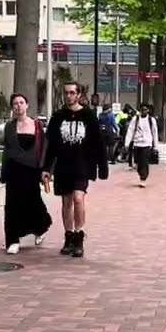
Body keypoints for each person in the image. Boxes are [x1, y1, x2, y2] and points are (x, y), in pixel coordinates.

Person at [42, 81, 109, 258]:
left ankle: (79, 235)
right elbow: (51, 146)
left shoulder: (88, 115)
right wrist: (46, 168)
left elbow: (98, 143)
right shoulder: (57, 117)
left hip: (82, 165)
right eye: (66, 93)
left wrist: (102, 168)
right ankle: (69, 236)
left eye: (72, 92)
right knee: (66, 203)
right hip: (63, 166)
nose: (69, 96)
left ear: (79, 95)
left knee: (78, 199)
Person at [0, 93, 52, 254]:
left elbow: (43, 148)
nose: (18, 106)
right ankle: (12, 240)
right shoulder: (9, 126)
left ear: (27, 105)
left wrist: (45, 170)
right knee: (12, 205)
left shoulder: (36, 125)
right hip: (14, 169)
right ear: (12, 107)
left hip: (31, 170)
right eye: (15, 103)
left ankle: (40, 228)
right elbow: (7, 150)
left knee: (33, 202)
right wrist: (4, 172)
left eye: (21, 103)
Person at [123, 102, 159, 187]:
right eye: (142, 110)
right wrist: (127, 143)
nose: (144, 111)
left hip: (147, 143)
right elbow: (130, 131)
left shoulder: (151, 120)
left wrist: (155, 146)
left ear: (148, 110)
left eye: (145, 110)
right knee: (138, 162)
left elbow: (154, 132)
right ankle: (141, 174)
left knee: (144, 161)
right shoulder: (135, 119)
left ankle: (143, 179)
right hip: (137, 143)